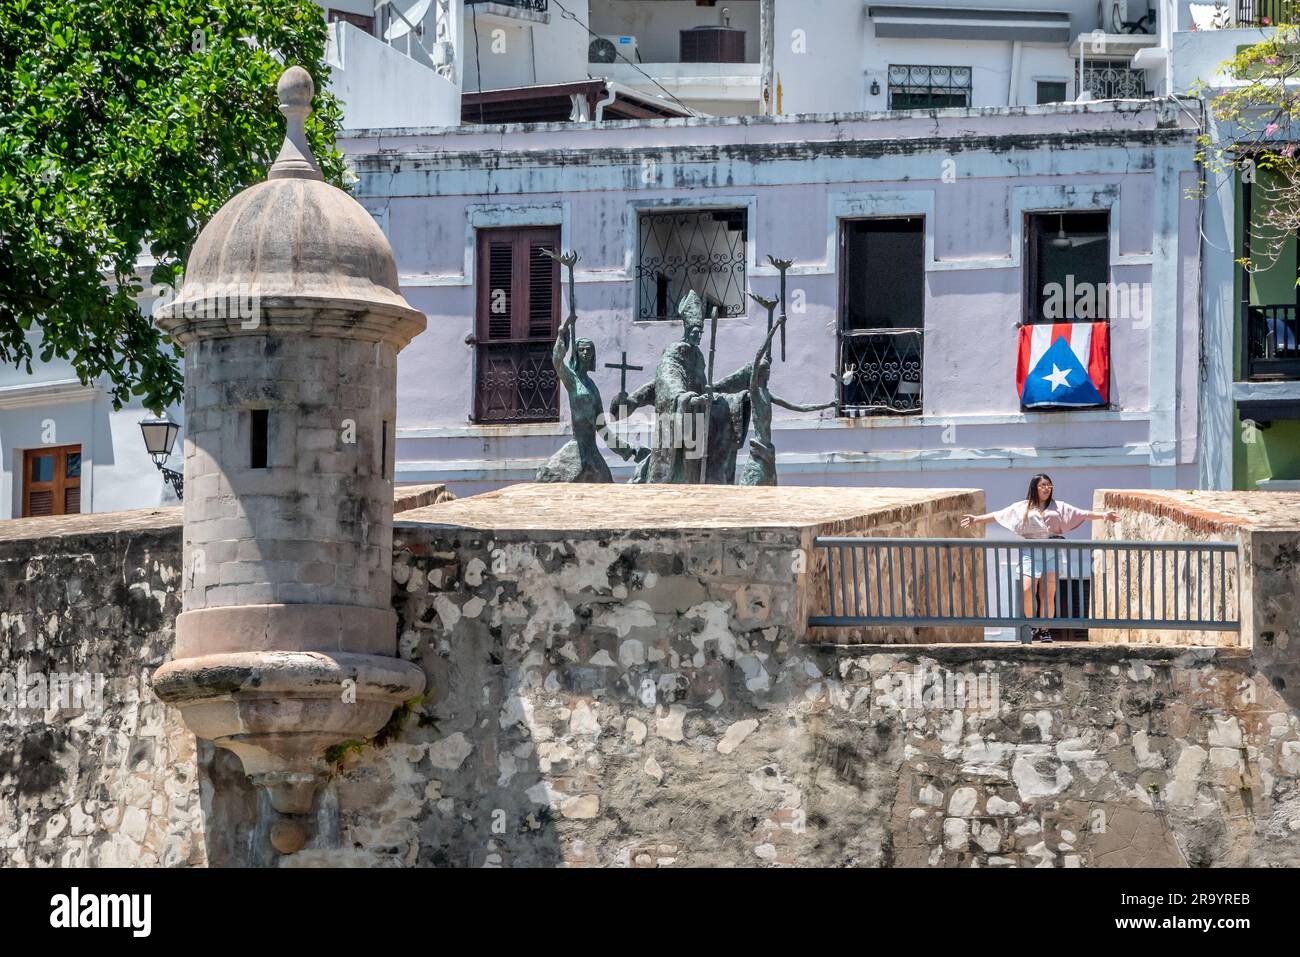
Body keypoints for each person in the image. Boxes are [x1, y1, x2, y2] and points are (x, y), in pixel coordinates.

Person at [959, 474, 1119, 642]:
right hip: (1030, 549)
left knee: (1048, 593)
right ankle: (1031, 623)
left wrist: (1103, 515)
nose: (1046, 488)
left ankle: (1044, 629)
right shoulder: (1023, 507)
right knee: (1028, 589)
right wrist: (977, 519)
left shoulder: (1059, 506)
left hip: (1052, 550)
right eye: (1043, 485)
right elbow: (1000, 515)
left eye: (1049, 485)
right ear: (1035, 487)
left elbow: (1082, 513)